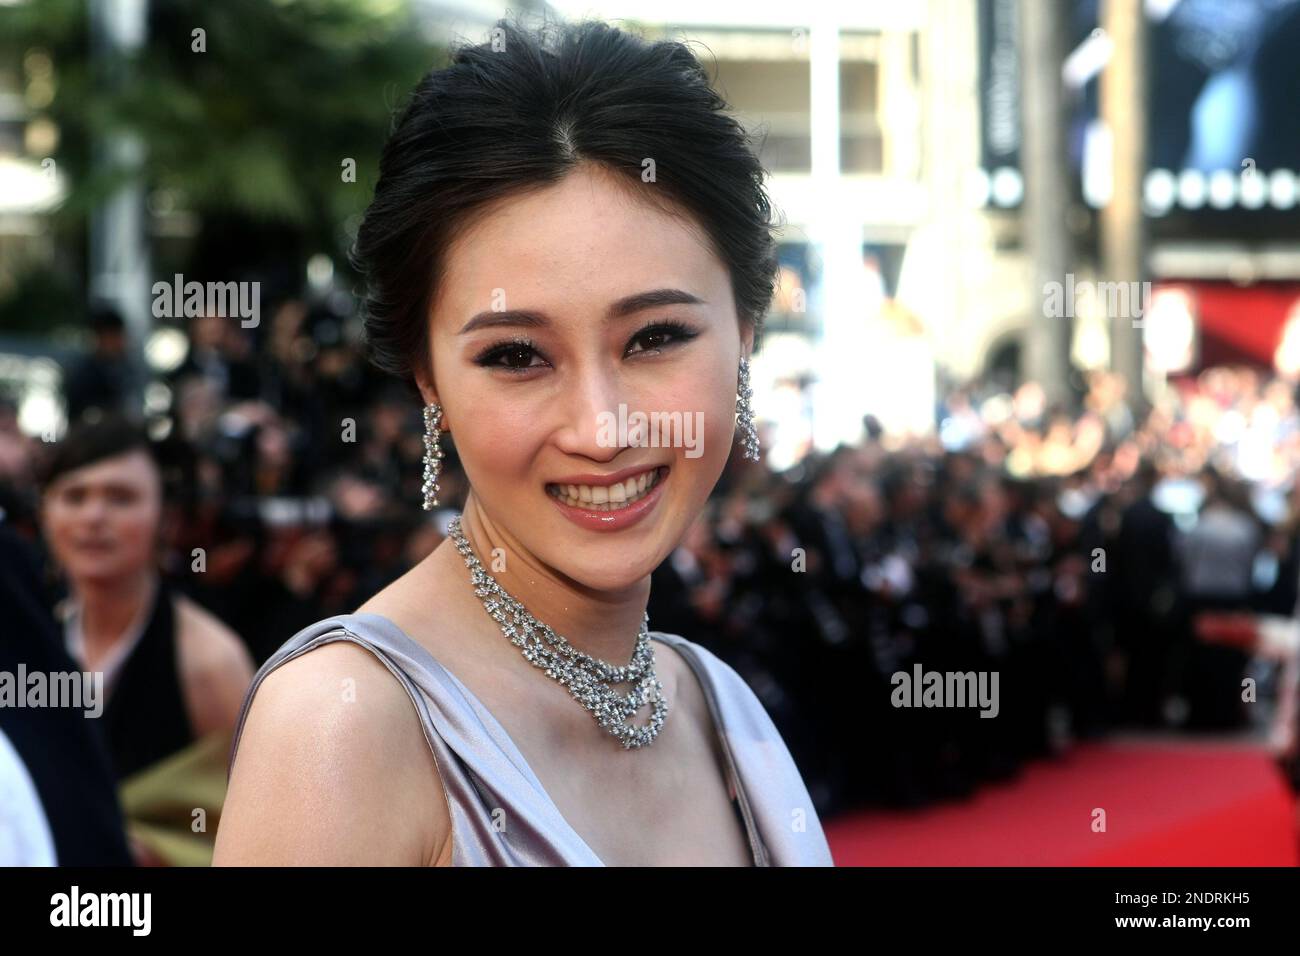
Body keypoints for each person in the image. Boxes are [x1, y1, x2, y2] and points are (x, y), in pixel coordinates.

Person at [215, 17, 834, 867]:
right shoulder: (344, 721)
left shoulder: (718, 708)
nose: (601, 429)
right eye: (515, 356)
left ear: (745, 330)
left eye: (655, 337)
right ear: (427, 377)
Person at [39, 416, 255, 864]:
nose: (93, 517)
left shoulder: (210, 661)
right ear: (45, 513)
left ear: (166, 520)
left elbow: (260, 822)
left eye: (121, 498)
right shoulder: (32, 641)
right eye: (74, 497)